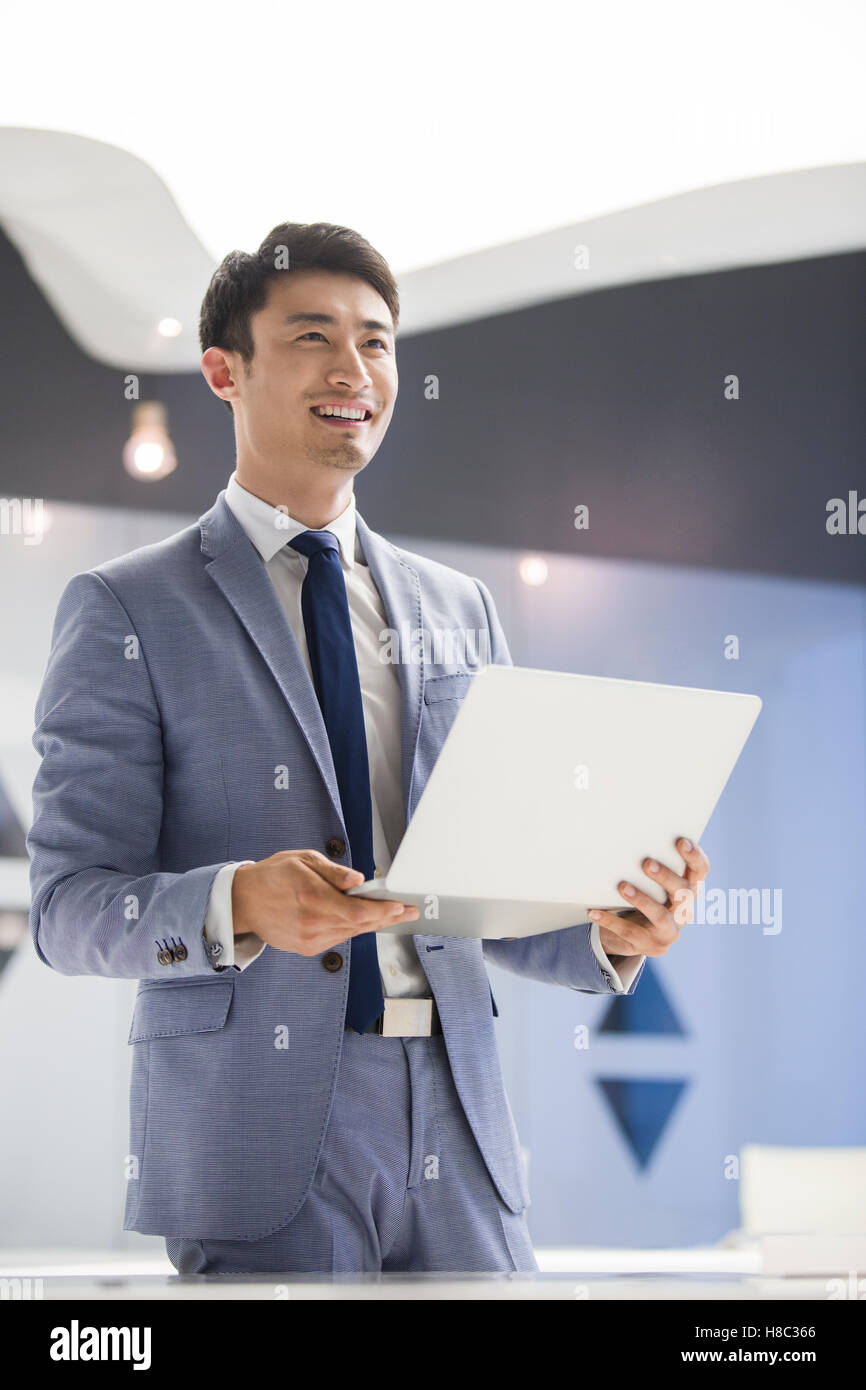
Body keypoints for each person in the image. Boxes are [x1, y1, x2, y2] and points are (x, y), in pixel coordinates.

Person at [27, 221, 709, 1275]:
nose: (354, 370)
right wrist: (240, 902)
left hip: (460, 1123)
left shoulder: (458, 606)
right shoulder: (128, 607)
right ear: (223, 369)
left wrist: (613, 928)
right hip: (251, 1139)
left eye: (377, 341)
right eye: (312, 336)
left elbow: (481, 899)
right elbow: (70, 911)